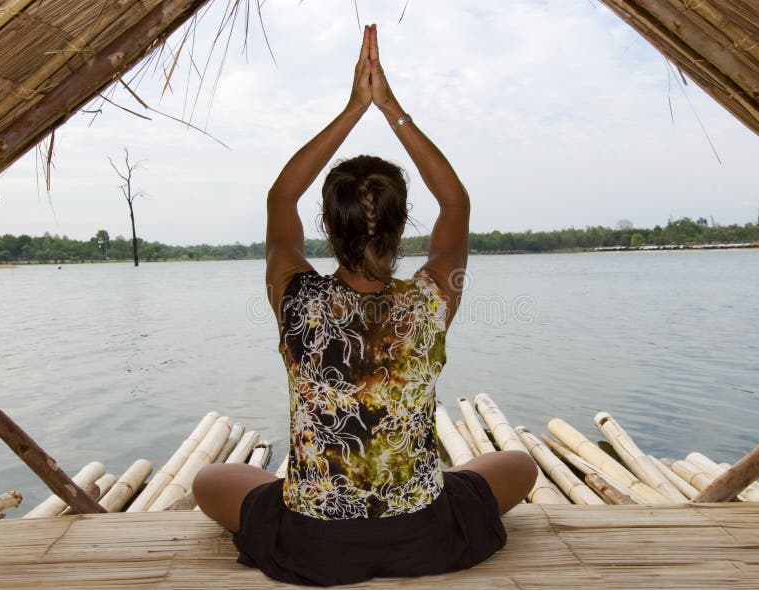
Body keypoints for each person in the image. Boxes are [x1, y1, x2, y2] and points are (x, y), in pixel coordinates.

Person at [194, 24, 537, 586]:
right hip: (423, 535)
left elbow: (281, 197)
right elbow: (455, 200)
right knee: (520, 465)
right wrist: (390, 108)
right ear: (403, 226)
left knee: (210, 479)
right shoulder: (430, 301)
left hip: (314, 544)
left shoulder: (294, 298)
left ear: (327, 226)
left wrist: (354, 108)